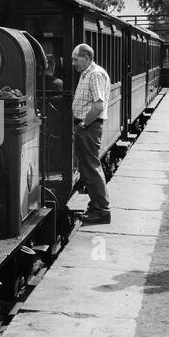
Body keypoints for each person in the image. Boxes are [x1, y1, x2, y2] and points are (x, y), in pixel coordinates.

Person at [71, 43, 111, 224]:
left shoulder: (94, 74)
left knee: (91, 169)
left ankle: (101, 211)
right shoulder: (87, 73)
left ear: (86, 58)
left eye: (75, 59)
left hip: (89, 127)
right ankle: (96, 207)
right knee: (89, 169)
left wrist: (83, 124)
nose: (73, 63)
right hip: (87, 126)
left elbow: (98, 105)